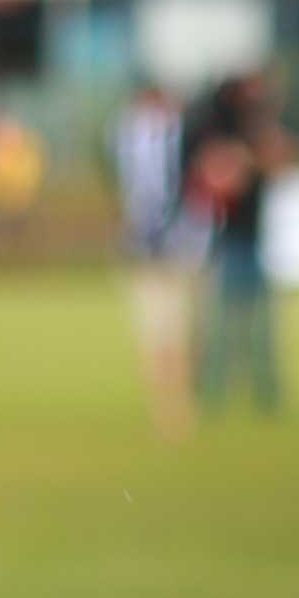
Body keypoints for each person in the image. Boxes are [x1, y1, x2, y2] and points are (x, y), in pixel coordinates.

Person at [188, 69, 293, 417]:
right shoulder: (219, 135)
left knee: (261, 329)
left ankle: (265, 393)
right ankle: (213, 392)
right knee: (223, 326)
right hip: (228, 241)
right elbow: (220, 181)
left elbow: (280, 162)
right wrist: (245, 163)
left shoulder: (255, 133)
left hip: (255, 241)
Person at [109, 79, 197, 440]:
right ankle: (170, 405)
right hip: (157, 246)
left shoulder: (130, 133)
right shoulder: (148, 133)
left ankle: (173, 403)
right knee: (164, 329)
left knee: (170, 330)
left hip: (170, 244)